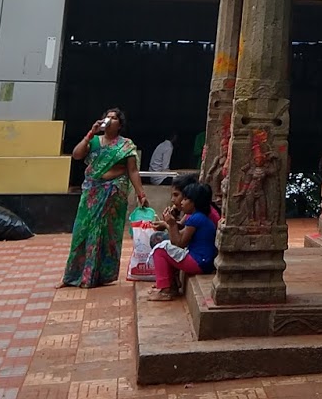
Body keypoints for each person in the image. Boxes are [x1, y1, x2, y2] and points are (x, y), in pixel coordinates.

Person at [62, 107, 148, 288]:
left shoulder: (125, 145)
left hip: (113, 192)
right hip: (92, 192)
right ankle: (74, 275)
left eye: (114, 118)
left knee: (105, 234)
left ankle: (98, 275)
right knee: (81, 232)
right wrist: (90, 133)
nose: (110, 120)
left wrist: (141, 193)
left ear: (119, 125)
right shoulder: (93, 140)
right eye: (107, 117)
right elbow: (77, 155)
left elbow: (132, 170)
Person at [147, 180, 217, 301]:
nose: (182, 203)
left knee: (160, 250)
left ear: (194, 203)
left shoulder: (196, 218)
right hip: (203, 261)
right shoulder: (198, 216)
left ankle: (165, 290)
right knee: (165, 246)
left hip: (199, 262)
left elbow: (179, 243)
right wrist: (171, 223)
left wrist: (171, 224)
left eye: (185, 200)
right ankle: (170, 285)